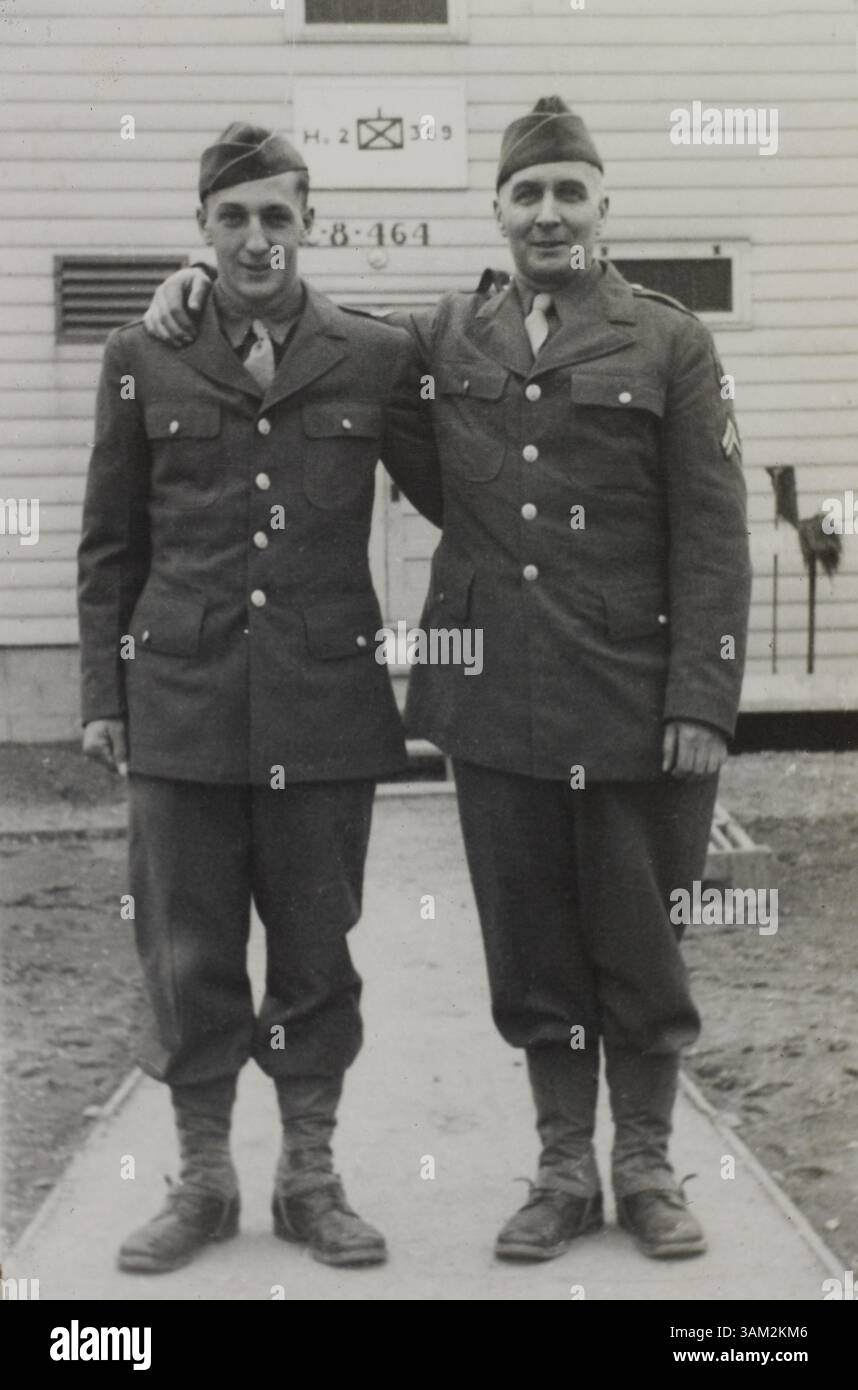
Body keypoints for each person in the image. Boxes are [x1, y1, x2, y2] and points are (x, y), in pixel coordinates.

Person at [144, 97, 751, 1263]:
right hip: (495, 700)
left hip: (634, 700)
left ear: (604, 207)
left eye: (570, 190)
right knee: (530, 950)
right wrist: (198, 277)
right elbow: (321, 344)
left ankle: (647, 1166)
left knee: (642, 944)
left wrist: (700, 699)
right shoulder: (444, 338)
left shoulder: (672, 341)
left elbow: (715, 536)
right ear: (500, 211)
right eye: (528, 193)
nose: (549, 212)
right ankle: (564, 1171)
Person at [78, 122, 441, 1274]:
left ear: (308, 223)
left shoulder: (376, 356)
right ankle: (201, 1179)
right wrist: (104, 693)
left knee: (316, 952)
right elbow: (107, 543)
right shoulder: (142, 354)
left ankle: (309, 1176)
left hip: (323, 706)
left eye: (275, 215)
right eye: (230, 217)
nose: (254, 238)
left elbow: (470, 492)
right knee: (185, 954)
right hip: (179, 701)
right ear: (201, 230)